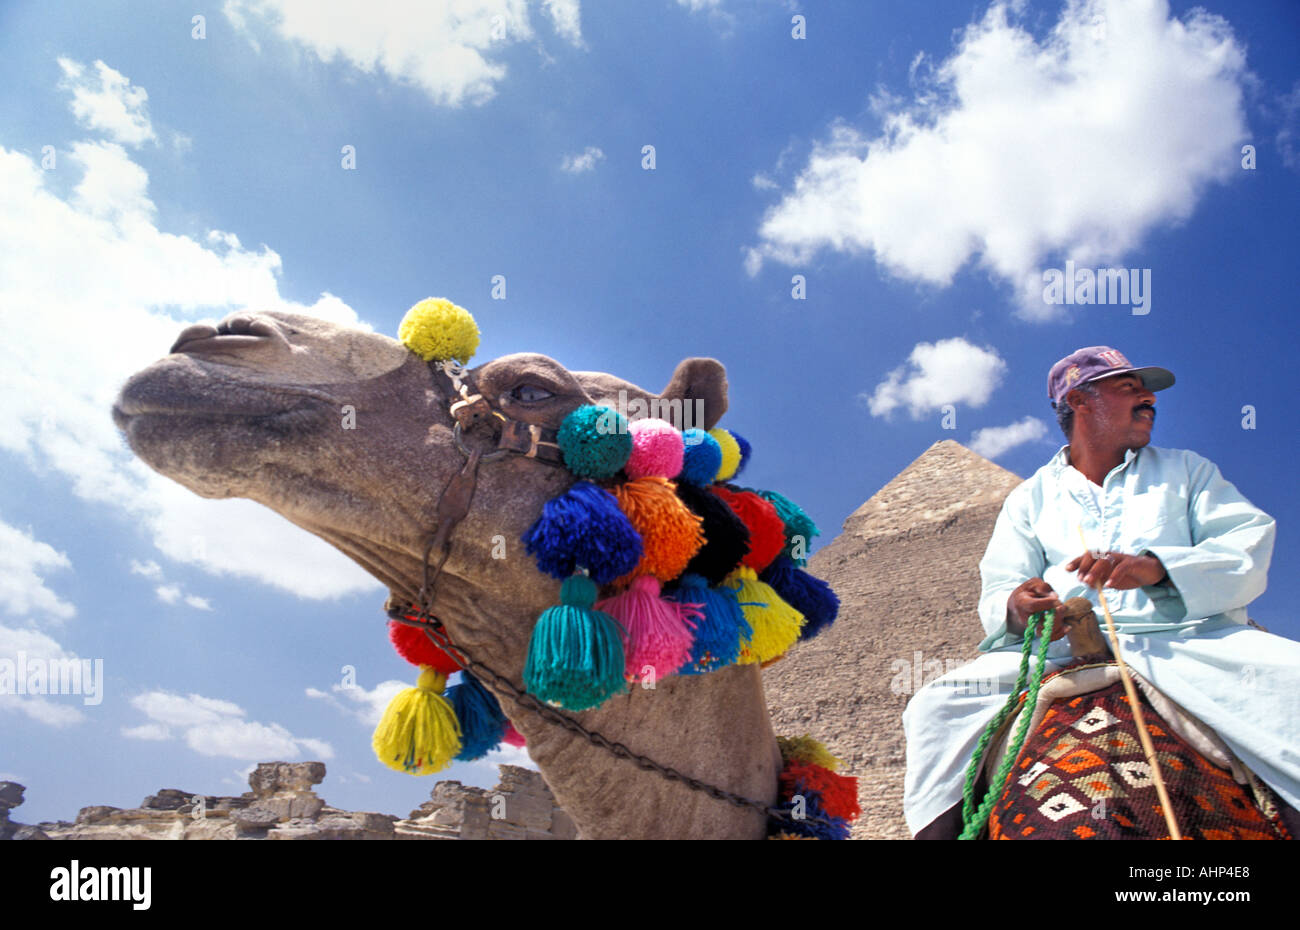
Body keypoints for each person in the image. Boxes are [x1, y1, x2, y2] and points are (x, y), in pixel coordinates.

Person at [902, 346, 1300, 838]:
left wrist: (1157, 568)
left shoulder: (1188, 471)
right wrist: (1019, 605)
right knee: (936, 706)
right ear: (1080, 401)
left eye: (1146, 391)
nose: (1149, 398)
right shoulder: (1029, 498)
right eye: (1130, 389)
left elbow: (1247, 542)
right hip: (1061, 650)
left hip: (1188, 641)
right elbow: (1003, 580)